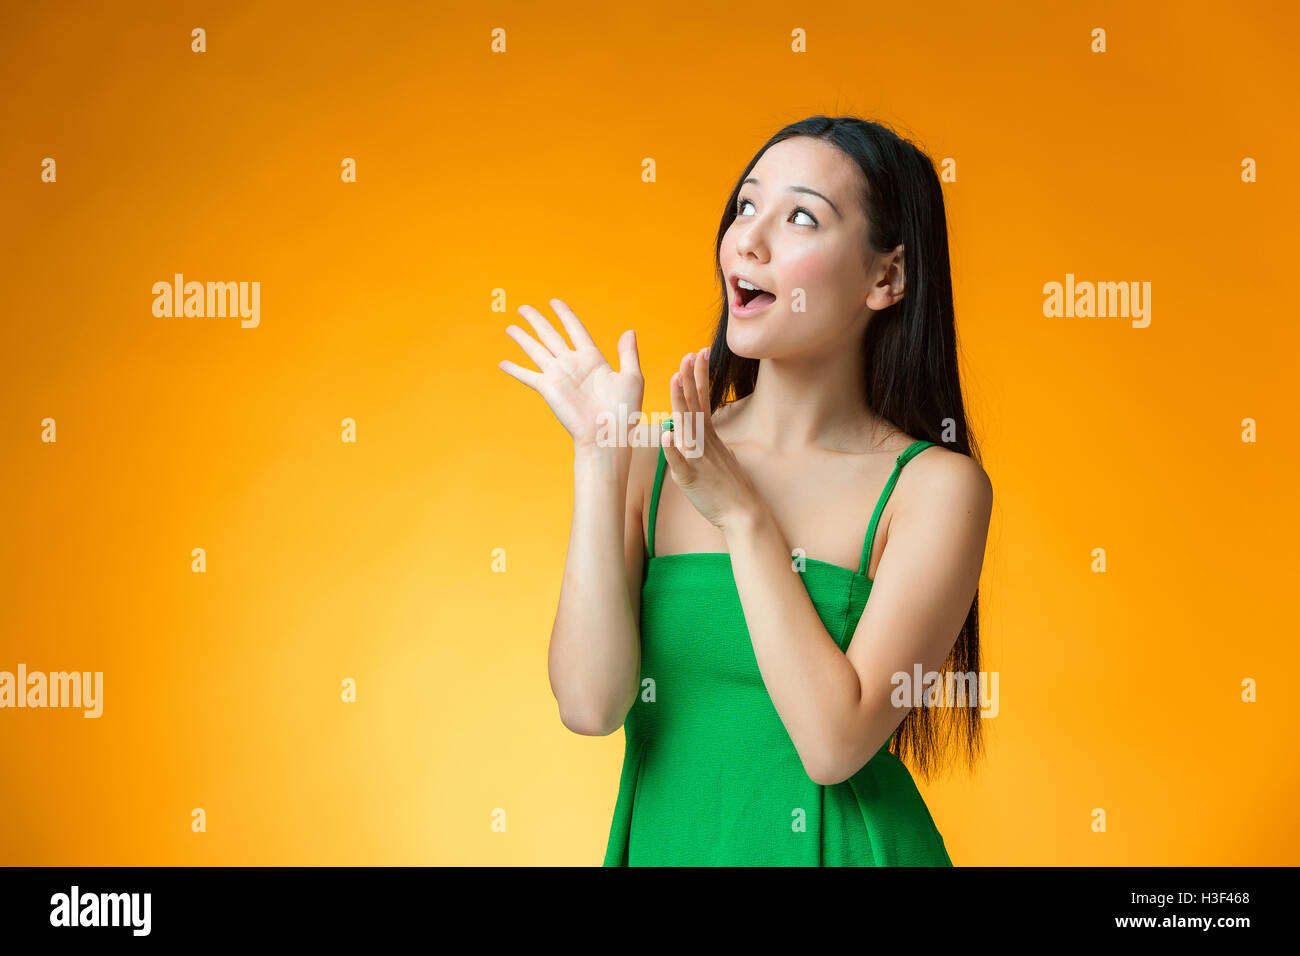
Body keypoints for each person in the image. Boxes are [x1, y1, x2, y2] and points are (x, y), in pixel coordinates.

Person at [498, 115, 993, 866]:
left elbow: (833, 746)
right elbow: (590, 705)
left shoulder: (933, 489)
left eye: (800, 217)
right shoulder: (655, 456)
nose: (748, 241)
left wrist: (741, 514)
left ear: (886, 278)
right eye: (744, 207)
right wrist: (600, 459)